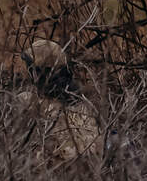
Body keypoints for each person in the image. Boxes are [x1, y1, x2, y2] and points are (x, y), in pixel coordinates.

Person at [11, 39, 102, 167]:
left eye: (30, 67)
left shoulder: (28, 101)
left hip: (55, 170)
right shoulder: (84, 102)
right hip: (89, 171)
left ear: (36, 72)